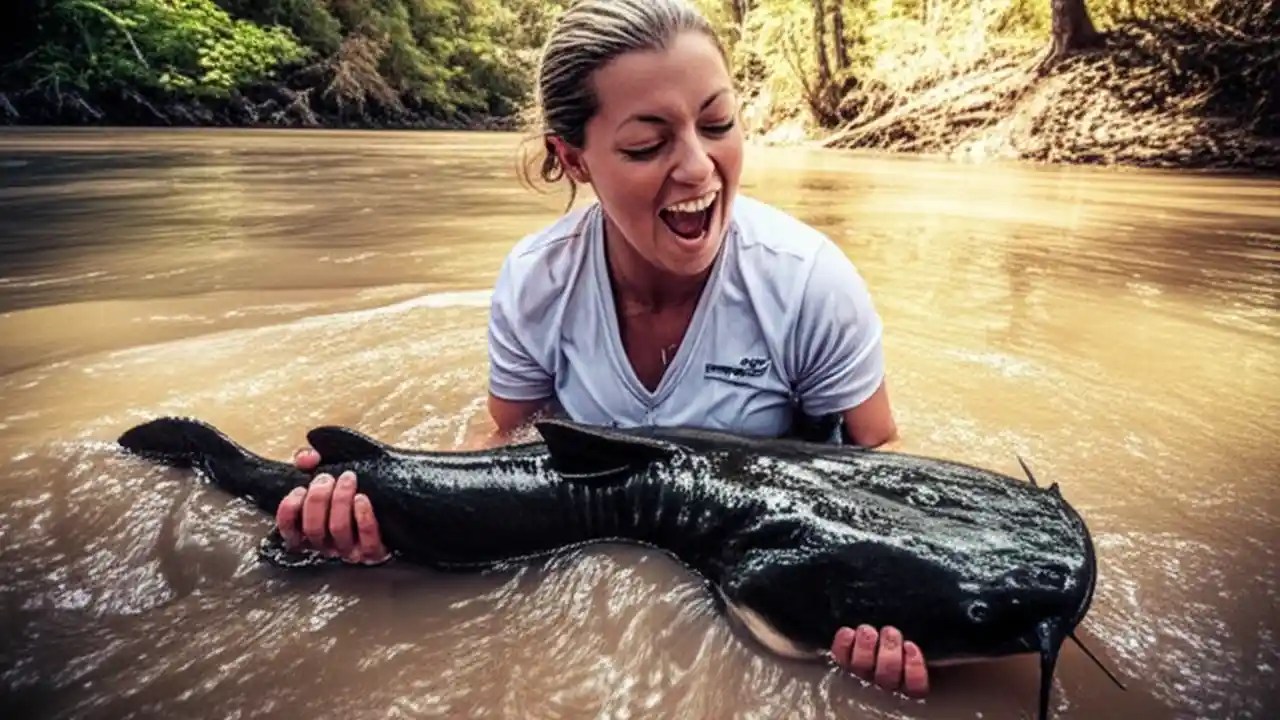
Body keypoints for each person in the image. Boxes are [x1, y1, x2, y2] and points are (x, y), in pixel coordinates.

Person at [273, 0, 928, 699]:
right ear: (573, 158)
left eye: (718, 124)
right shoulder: (538, 281)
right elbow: (503, 433)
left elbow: (877, 466)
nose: (699, 168)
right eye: (648, 145)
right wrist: (393, 512)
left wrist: (882, 604)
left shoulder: (807, 285)